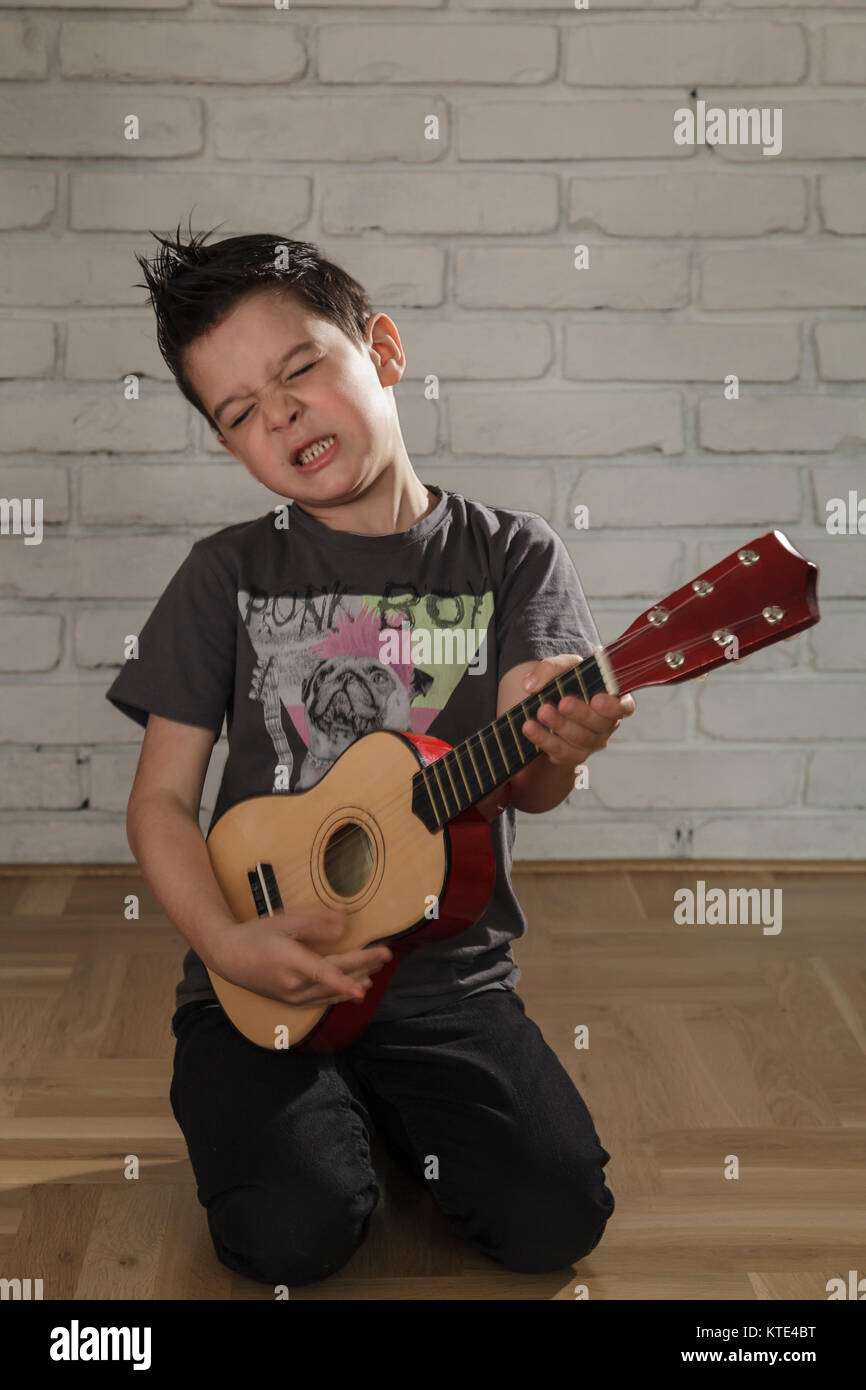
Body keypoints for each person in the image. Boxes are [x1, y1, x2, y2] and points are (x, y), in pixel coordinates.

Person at [105, 226, 635, 1289]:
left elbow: (532, 788)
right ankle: (304, 1115)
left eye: (299, 369)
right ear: (230, 446)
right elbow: (160, 802)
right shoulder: (224, 575)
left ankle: (382, 1111)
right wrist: (226, 942)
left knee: (555, 1219)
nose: (280, 414)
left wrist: (561, 747)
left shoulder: (514, 557)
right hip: (257, 973)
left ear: (383, 349)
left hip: (445, 985)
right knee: (289, 1236)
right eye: (239, 412)